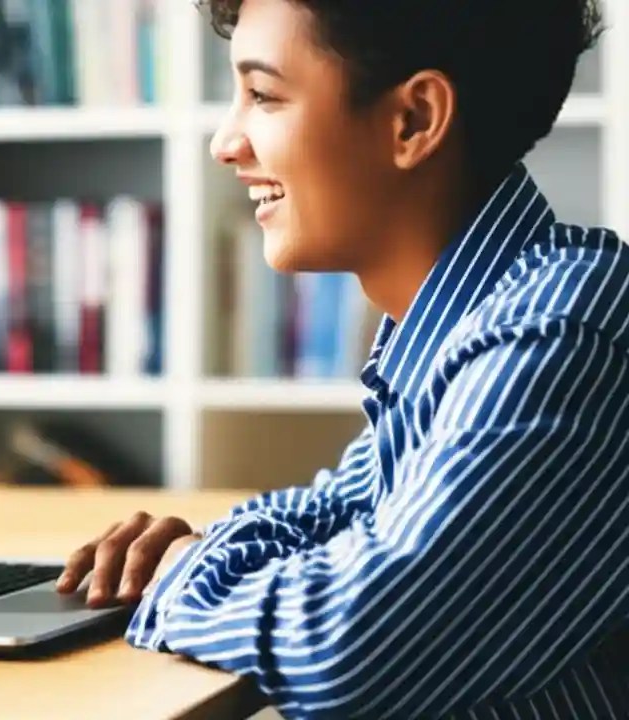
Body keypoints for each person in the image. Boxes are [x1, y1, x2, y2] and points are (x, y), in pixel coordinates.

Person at [55, 0, 628, 717]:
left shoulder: (557, 335)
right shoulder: (458, 327)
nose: (225, 143)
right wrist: (202, 554)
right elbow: (329, 517)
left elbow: (349, 645)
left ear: (413, 122)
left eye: (263, 96)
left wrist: (183, 571)